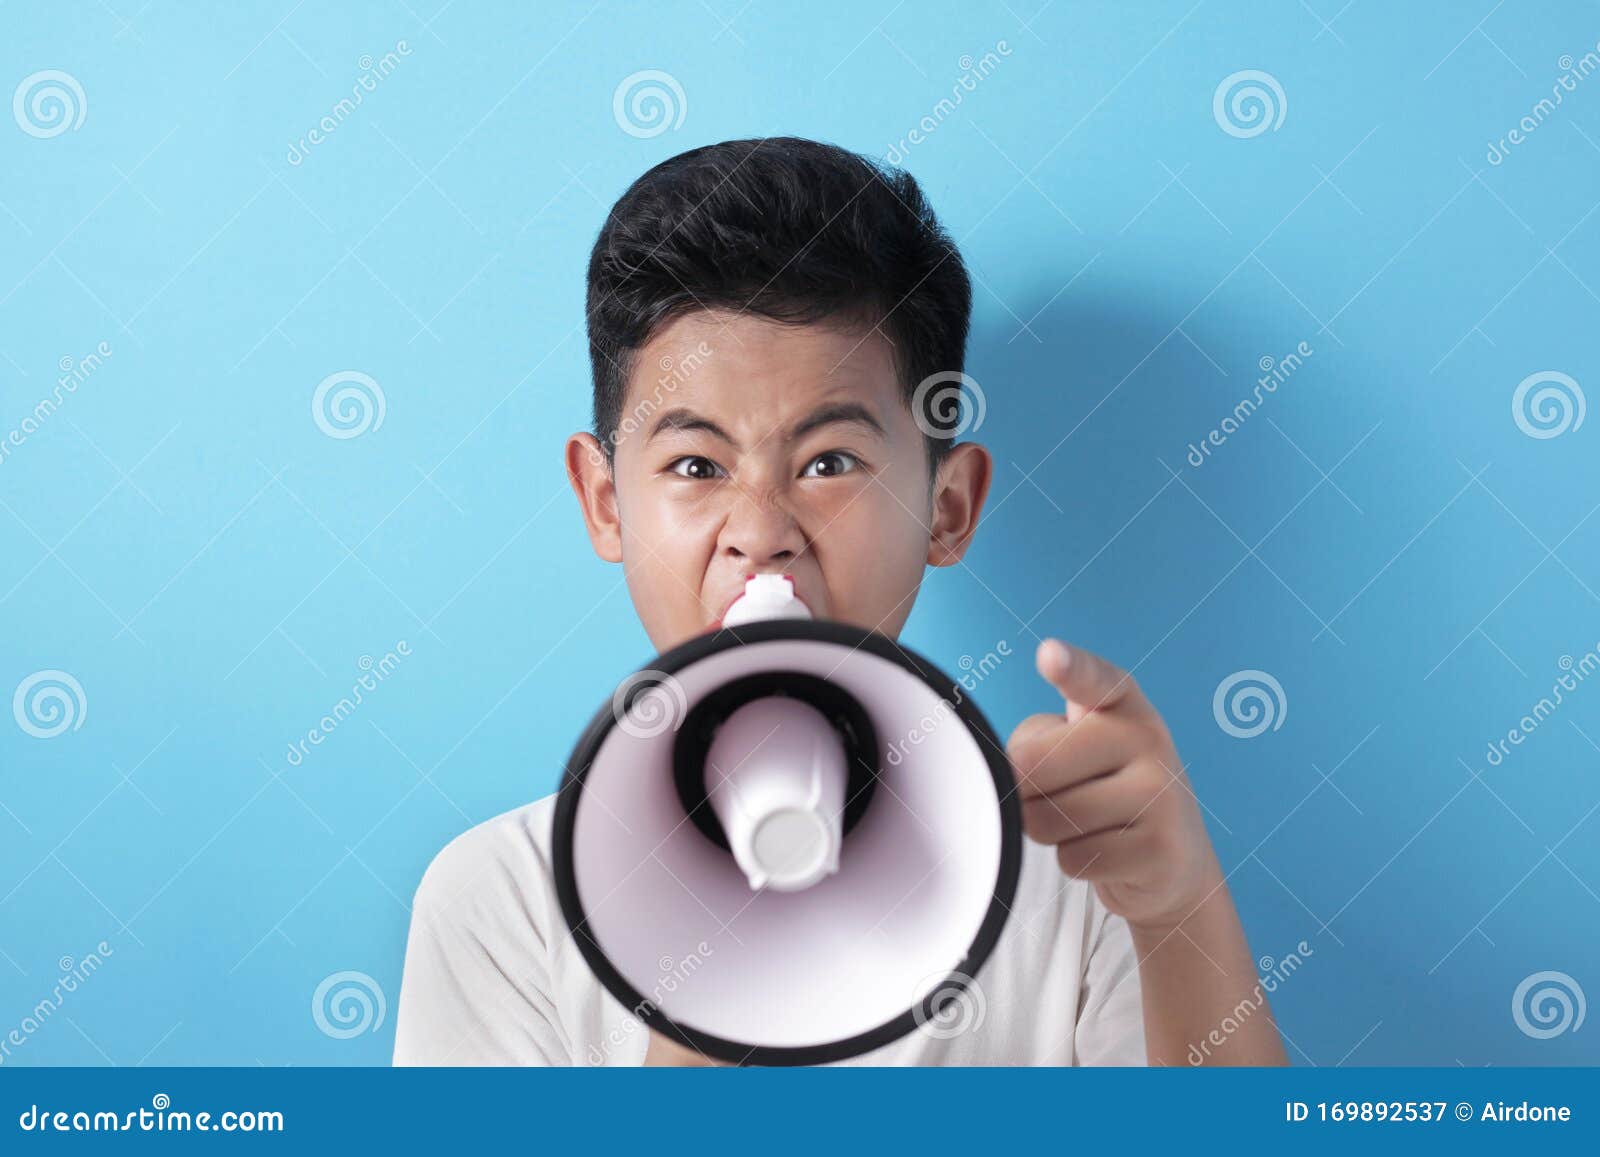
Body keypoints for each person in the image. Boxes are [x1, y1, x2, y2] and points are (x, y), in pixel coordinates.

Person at [392, 137, 1287, 1067]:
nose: (762, 531)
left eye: (830, 463)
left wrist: (1181, 916)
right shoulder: (498, 902)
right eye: (696, 465)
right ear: (606, 499)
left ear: (947, 509)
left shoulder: (1083, 870)